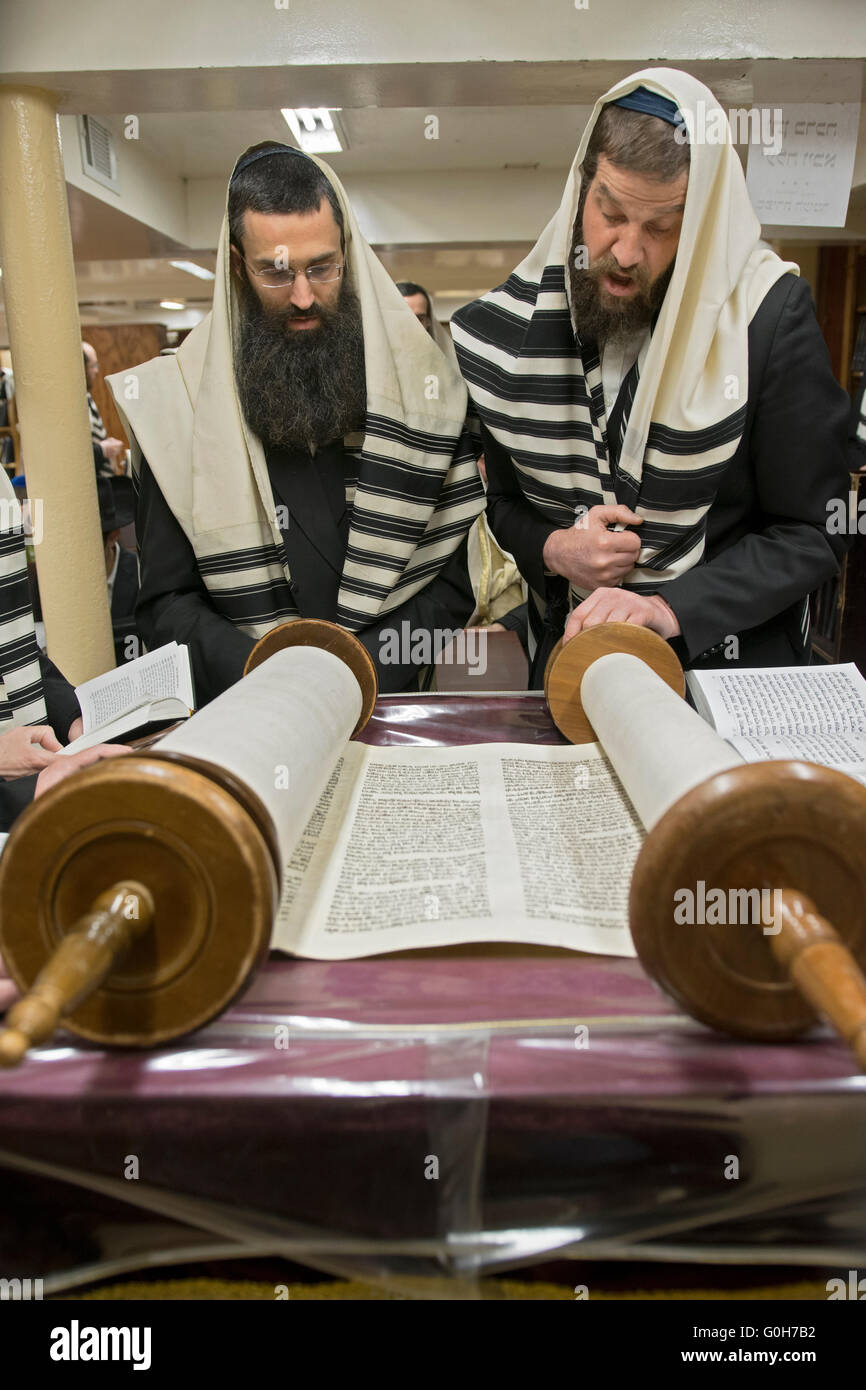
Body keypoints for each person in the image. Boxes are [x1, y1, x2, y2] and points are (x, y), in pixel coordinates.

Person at [451, 70, 852, 683]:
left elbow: (812, 533)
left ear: (698, 225)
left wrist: (668, 607)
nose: (626, 252)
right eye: (609, 213)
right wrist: (556, 549)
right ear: (581, 189)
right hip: (568, 666)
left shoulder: (766, 318)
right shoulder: (519, 330)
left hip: (718, 673)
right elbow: (504, 502)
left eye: (661, 229)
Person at [108, 144, 484, 703]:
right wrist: (274, 678)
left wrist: (358, 673)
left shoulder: (422, 391)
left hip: (390, 697)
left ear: (347, 254)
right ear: (238, 266)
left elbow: (450, 585)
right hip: (250, 706)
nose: (304, 297)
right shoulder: (176, 404)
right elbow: (165, 607)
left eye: (322, 268)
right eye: (276, 273)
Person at [82, 342, 127, 476]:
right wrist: (103, 449)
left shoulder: (86, 397)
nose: (96, 371)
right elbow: (76, 453)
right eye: (93, 366)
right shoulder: (74, 404)